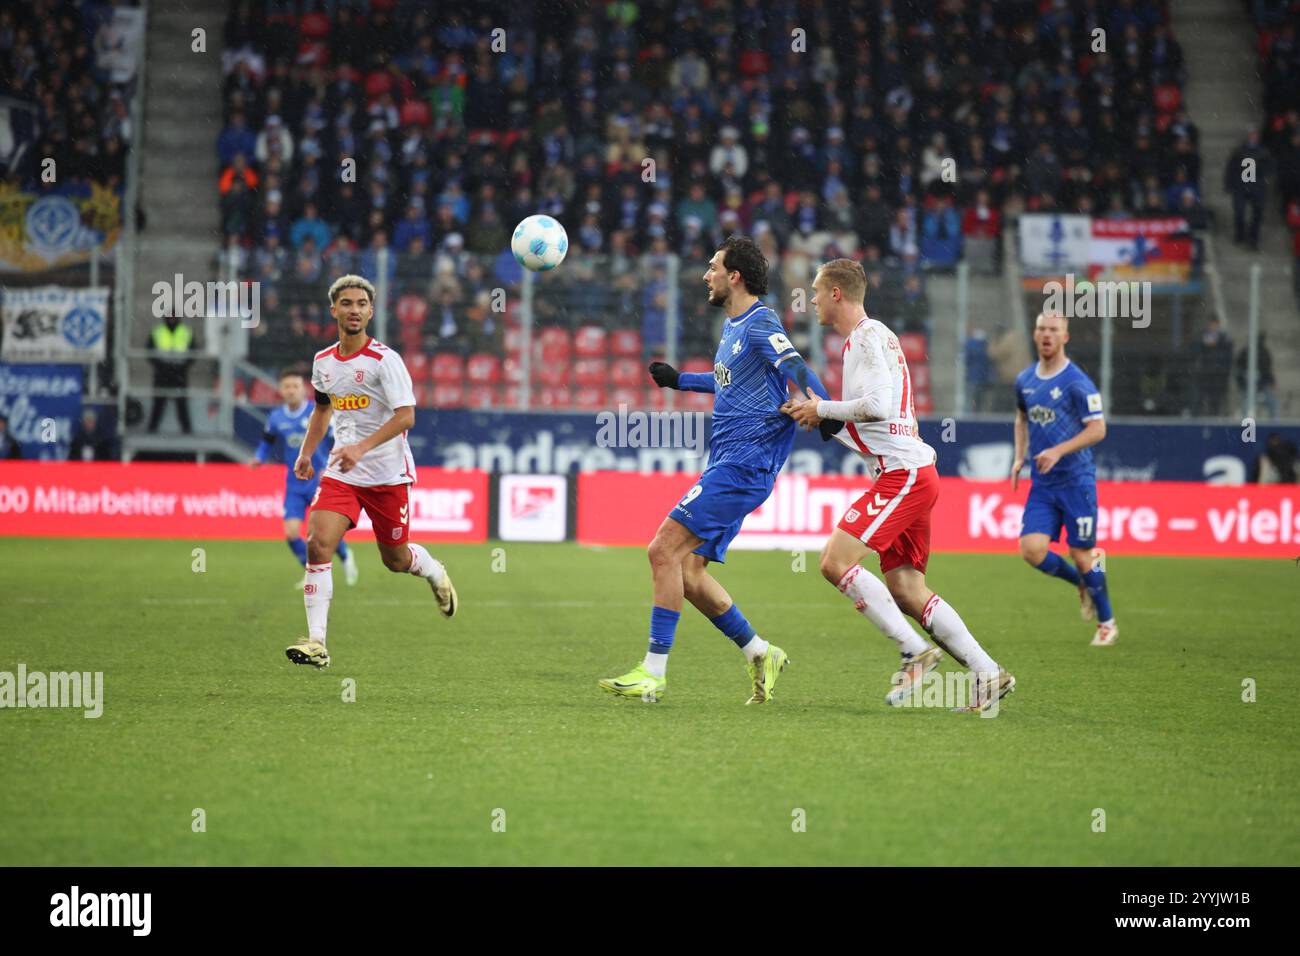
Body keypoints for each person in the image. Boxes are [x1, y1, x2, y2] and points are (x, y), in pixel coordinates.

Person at [598, 235, 832, 705]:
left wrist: (826, 411)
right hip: (728, 463)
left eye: (712, 267)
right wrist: (679, 381)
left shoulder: (762, 323)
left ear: (734, 276)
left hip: (744, 465)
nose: (706, 275)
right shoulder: (733, 328)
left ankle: (654, 672)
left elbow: (798, 368)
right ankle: (761, 652)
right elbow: (727, 381)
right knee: (689, 571)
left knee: (661, 550)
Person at [783, 259, 1013, 713]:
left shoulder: (865, 339)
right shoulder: (876, 337)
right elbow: (873, 422)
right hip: (913, 471)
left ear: (836, 294)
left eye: (816, 290)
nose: (810, 299)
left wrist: (824, 411)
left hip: (902, 475)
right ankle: (988, 673)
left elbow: (877, 406)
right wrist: (820, 417)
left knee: (833, 562)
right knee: (907, 590)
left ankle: (914, 651)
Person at [285, 275, 458, 669]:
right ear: (334, 310)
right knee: (317, 542)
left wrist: (362, 447)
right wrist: (307, 453)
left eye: (362, 303)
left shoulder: (385, 361)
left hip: (387, 476)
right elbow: (323, 409)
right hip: (342, 473)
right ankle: (317, 642)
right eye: (346, 303)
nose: (354, 310)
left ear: (371, 311)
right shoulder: (323, 362)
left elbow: (406, 416)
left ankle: (433, 571)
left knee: (395, 560)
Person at [1012, 313, 1117, 646]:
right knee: (1031, 550)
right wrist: (1019, 456)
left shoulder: (1077, 382)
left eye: (1053, 330)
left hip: (1076, 481)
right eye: (1041, 328)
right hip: (1043, 484)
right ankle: (1082, 582)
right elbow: (1021, 418)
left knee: (1082, 553)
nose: (1046, 334)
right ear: (1034, 333)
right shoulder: (1025, 380)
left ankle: (1107, 623)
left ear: (1065, 337)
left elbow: (1098, 429)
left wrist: (1058, 451)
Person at [250, 368, 358, 589]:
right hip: (294, 484)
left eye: (295, 386)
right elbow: (266, 443)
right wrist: (259, 458)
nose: (291, 391)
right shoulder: (276, 417)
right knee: (291, 533)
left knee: (323, 534)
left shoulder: (317, 412)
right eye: (287, 387)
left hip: (319, 481)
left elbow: (334, 440)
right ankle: (310, 572)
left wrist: (329, 465)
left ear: (303, 389)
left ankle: (346, 556)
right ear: (280, 390)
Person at [147, 315, 194, 433]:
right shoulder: (158, 331)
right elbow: (149, 351)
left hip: (179, 373)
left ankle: (187, 432)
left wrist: (182, 367)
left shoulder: (185, 332)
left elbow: (193, 352)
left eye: (174, 317)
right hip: (163, 373)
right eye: (170, 317)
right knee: (158, 404)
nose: (172, 320)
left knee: (181, 405)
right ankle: (152, 431)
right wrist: (160, 366)